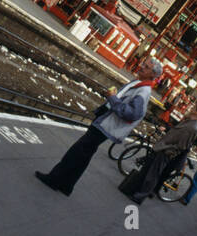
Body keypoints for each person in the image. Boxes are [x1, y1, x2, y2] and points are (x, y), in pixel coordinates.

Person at [35, 57, 162, 196]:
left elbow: (131, 114)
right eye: (144, 63)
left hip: (107, 126)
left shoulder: (143, 92)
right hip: (105, 122)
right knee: (84, 154)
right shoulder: (139, 84)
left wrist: (112, 98)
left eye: (147, 66)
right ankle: (67, 185)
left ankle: (54, 179)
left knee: (77, 151)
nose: (142, 66)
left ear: (152, 75)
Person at [124, 100, 197, 204]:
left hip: (165, 152)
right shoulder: (188, 121)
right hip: (161, 148)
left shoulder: (193, 128)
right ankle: (134, 190)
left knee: (152, 176)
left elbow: (181, 146)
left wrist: (166, 150)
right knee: (147, 170)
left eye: (194, 107)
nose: (191, 107)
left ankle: (140, 196)